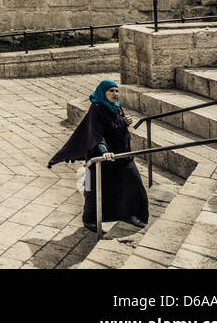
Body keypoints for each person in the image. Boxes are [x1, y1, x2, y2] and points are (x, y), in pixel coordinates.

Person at [48, 80, 148, 230]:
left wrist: (125, 121)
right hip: (100, 158)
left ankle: (130, 214)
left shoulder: (116, 106)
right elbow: (96, 134)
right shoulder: (96, 109)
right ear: (103, 93)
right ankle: (89, 220)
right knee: (93, 190)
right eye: (111, 91)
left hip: (122, 156)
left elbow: (114, 125)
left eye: (116, 91)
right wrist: (105, 151)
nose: (115, 94)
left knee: (133, 184)